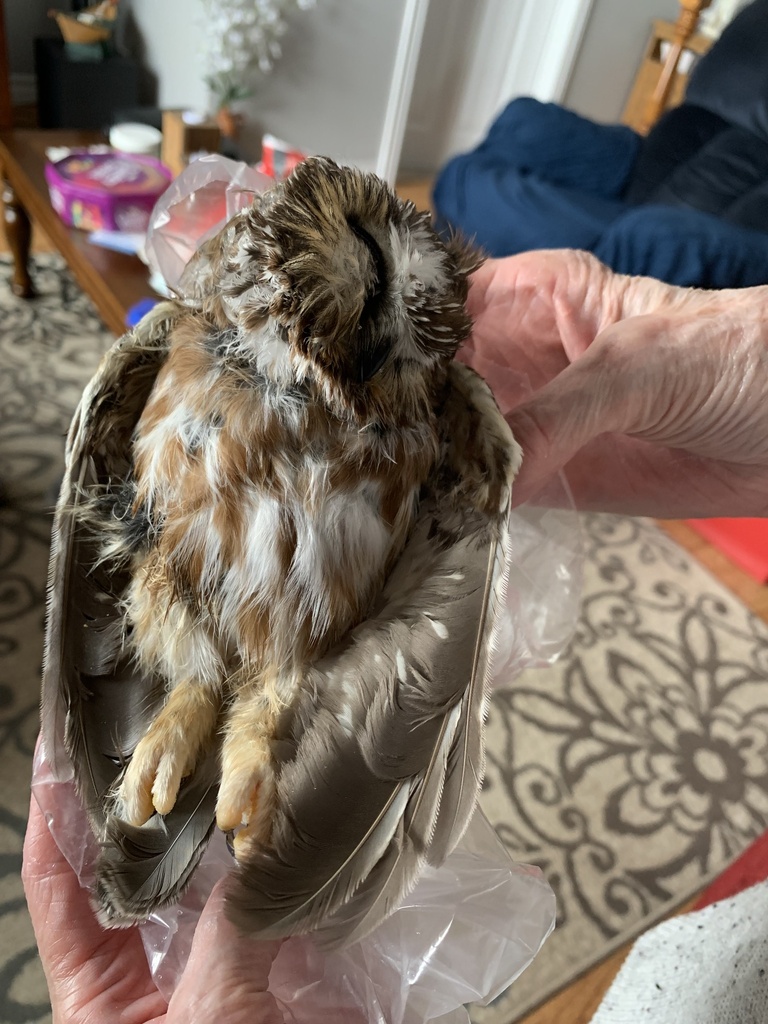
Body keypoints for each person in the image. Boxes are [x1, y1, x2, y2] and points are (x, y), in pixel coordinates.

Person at [22, 247, 768, 1021]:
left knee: (315, 686)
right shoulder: (184, 346)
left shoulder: (436, 392)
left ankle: (258, 721)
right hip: (194, 604)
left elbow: (414, 631)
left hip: (315, 641)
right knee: (180, 647)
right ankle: (193, 702)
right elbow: (116, 533)